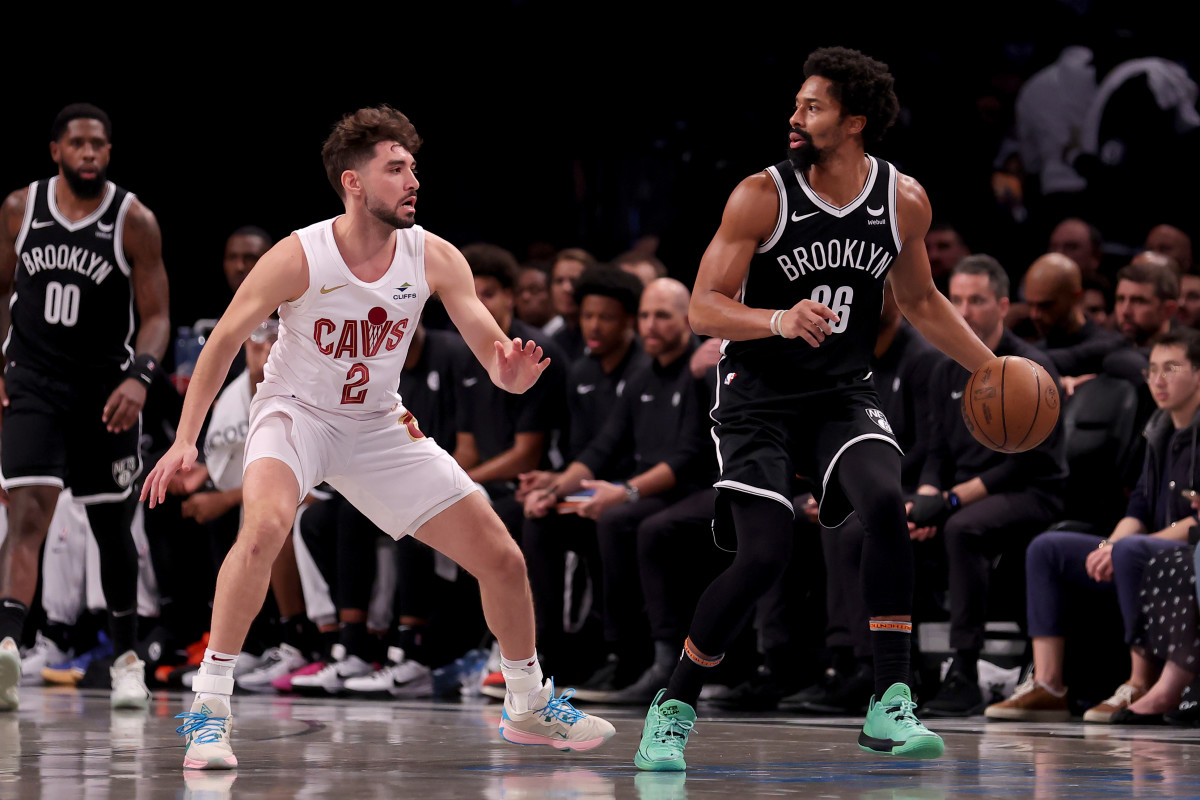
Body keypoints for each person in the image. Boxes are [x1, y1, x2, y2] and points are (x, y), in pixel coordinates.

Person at [141, 105, 614, 770]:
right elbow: (221, 342)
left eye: (413, 167)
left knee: (503, 558)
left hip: (376, 424)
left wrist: (509, 374)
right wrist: (185, 439)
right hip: (297, 415)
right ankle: (208, 712)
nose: (413, 180)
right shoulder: (301, 255)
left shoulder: (434, 256)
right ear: (354, 182)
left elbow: (492, 350)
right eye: (396, 168)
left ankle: (528, 703)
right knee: (265, 527)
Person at [633, 47, 998, 771]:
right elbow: (703, 307)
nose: (794, 117)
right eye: (797, 104)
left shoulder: (903, 200)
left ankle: (889, 702)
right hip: (758, 398)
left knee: (886, 504)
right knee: (763, 556)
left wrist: (992, 367)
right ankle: (673, 707)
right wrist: (776, 319)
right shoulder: (760, 195)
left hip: (841, 393)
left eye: (813, 107)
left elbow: (921, 300)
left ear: (854, 122)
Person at [0, 103, 170, 712]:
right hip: (34, 384)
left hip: (105, 395)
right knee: (27, 514)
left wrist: (140, 379)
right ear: (56, 150)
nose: (90, 152)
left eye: (99, 143)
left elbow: (156, 316)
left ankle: (126, 661)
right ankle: (7, 647)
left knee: (110, 528)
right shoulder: (20, 209)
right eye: (78, 143)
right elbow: (2, 289)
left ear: (109, 151)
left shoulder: (133, 219)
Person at [984, 329, 1200, 722]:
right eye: (1152, 369)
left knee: (1131, 550)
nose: (1158, 379)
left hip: (1185, 552)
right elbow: (1138, 505)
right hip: (1145, 549)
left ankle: (1140, 681)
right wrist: (1109, 546)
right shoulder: (1158, 429)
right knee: (1046, 549)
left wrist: (1127, 548)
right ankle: (1048, 684)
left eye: (1171, 368)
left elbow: (1197, 521)